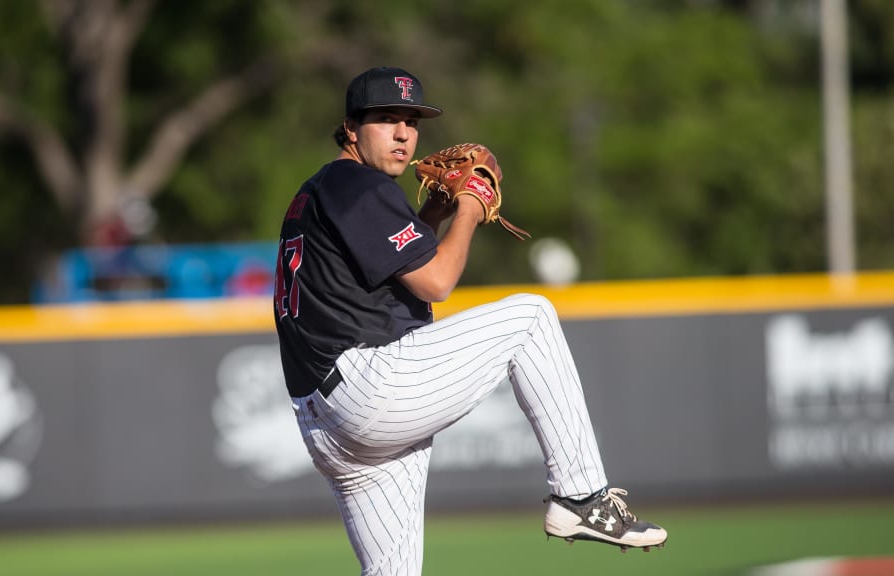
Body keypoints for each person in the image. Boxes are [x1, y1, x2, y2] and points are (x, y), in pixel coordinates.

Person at [273, 66, 667, 576]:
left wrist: (433, 214)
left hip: (327, 419)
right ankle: (580, 496)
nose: (403, 134)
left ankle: (579, 498)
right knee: (530, 318)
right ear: (351, 128)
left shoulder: (325, 188)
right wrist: (467, 207)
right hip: (369, 389)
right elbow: (435, 282)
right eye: (386, 119)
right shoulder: (358, 183)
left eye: (411, 121)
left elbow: (384, 270)